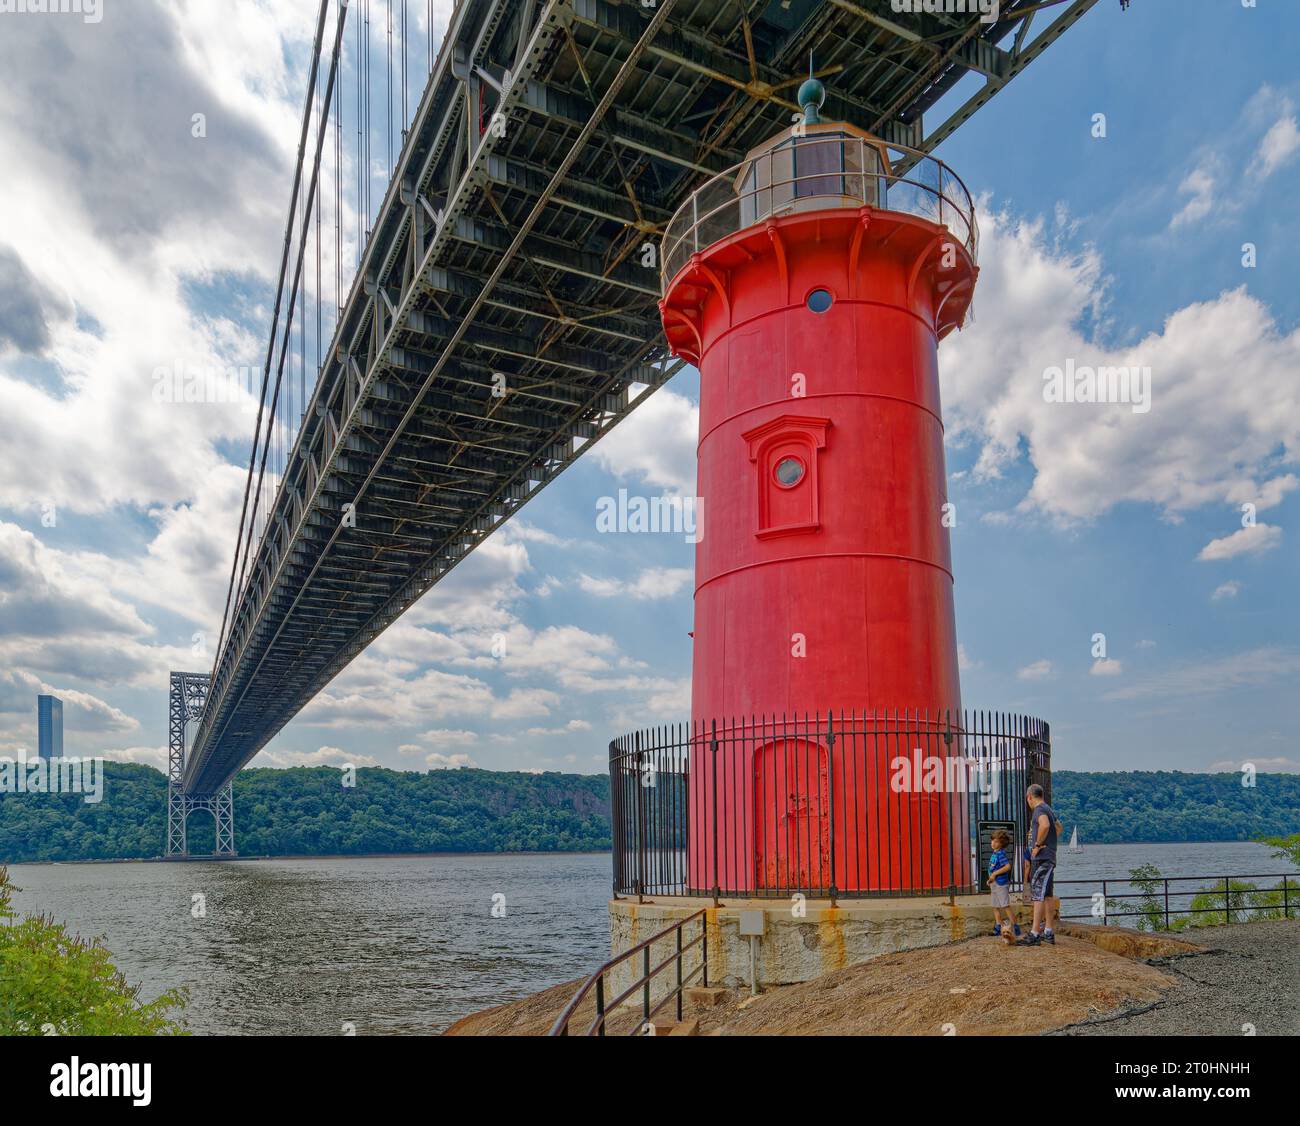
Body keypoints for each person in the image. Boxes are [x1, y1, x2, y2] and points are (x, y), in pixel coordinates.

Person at [1018, 784, 1058, 946]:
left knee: (1038, 894)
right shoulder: (1048, 809)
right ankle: (1048, 931)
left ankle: (1034, 933)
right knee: (1047, 895)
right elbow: (1058, 827)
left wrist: (1038, 844)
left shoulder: (1039, 810)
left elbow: (1046, 825)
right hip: (1049, 856)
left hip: (1042, 858)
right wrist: (1049, 841)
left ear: (1029, 797)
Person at [987, 829, 1019, 940]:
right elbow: (992, 867)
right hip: (994, 883)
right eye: (992, 840)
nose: (993, 843)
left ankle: (1015, 927)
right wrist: (990, 879)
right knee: (995, 906)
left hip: (1001, 883)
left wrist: (994, 874)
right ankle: (998, 926)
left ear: (1001, 844)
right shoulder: (995, 853)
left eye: (996, 841)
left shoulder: (1000, 854)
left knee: (1005, 906)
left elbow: (1007, 867)